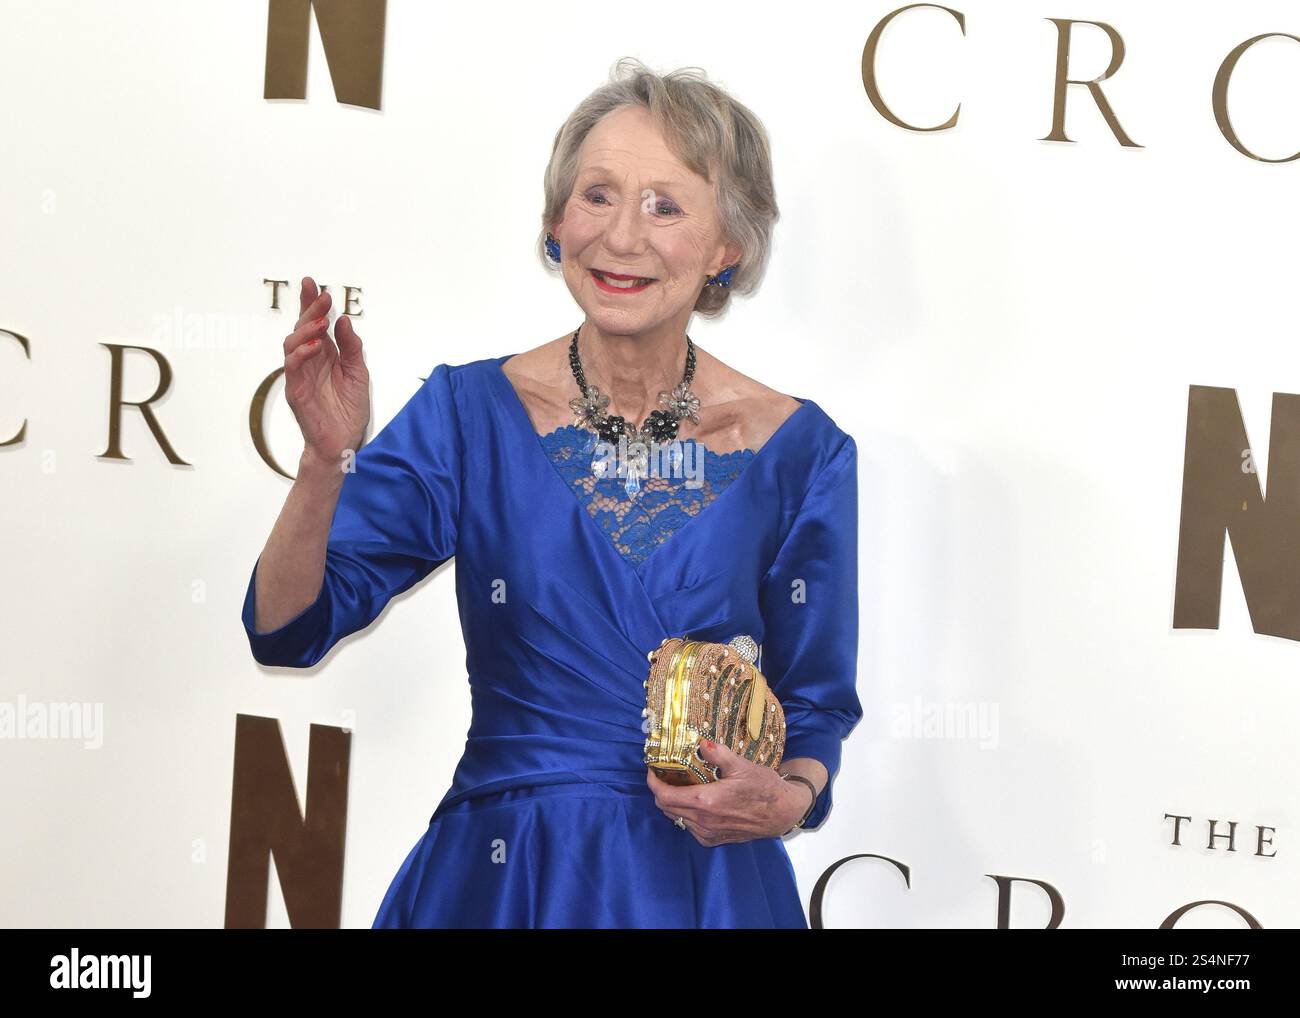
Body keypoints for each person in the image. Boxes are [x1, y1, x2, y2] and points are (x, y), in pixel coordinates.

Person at [241, 57, 862, 929]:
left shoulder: (804, 452)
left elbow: (817, 703)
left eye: (667, 205)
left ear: (728, 246)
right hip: (505, 883)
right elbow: (286, 629)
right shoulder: (468, 413)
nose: (622, 237)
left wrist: (789, 798)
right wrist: (322, 464)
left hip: (707, 890)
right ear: (555, 223)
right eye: (597, 195)